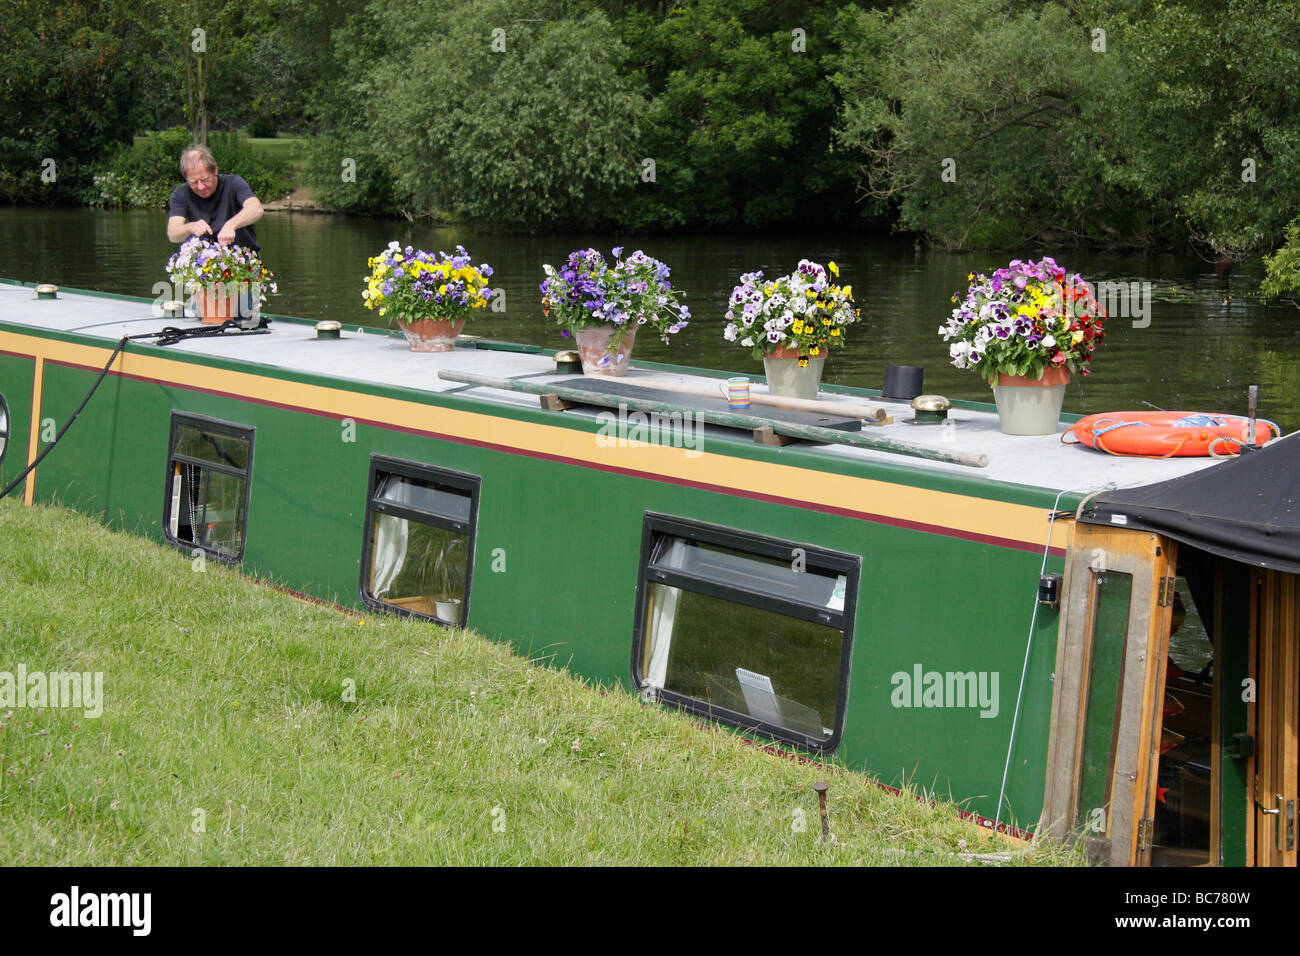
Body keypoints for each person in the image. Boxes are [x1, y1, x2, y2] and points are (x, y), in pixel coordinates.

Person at [166, 145, 264, 250]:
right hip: (204, 262)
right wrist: (189, 227)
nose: (201, 186)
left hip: (243, 259)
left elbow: (256, 209)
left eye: (204, 179)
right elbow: (173, 234)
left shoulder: (233, 183)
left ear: (215, 170)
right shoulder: (181, 193)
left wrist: (232, 225)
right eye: (193, 182)